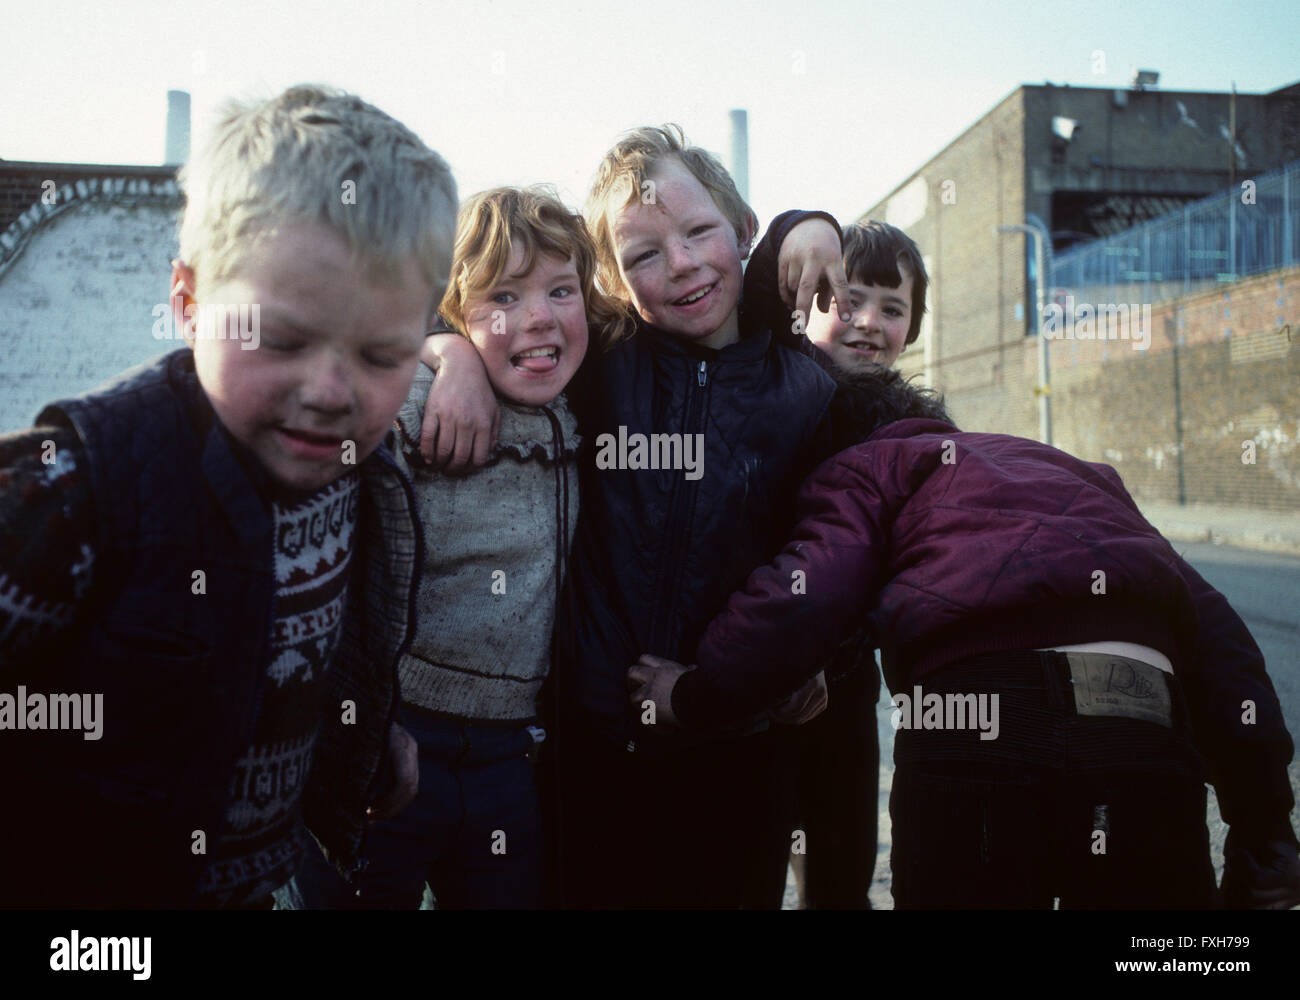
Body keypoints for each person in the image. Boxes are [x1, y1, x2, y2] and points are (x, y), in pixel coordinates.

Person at [0, 85, 457, 908]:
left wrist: (357, 729)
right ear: (187, 301)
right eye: (279, 340)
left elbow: (294, 654)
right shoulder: (74, 488)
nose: (330, 390)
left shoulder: (363, 470)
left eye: (382, 354)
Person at [629, 365, 1300, 909]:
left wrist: (693, 691)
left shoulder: (864, 466)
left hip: (975, 723)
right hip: (1141, 722)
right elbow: (1220, 639)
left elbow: (812, 589)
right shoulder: (1078, 473)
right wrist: (1264, 828)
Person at [418, 125, 847, 908]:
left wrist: (809, 650)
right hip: (593, 753)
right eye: (644, 254)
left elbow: (839, 544)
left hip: (741, 753)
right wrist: (448, 358)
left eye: (698, 232)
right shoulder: (602, 366)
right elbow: (486, 306)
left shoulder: (809, 391)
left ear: (743, 230)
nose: (680, 264)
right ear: (610, 281)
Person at [289, 185, 628, 908]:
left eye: (560, 290)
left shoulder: (588, 401)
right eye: (503, 297)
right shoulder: (415, 404)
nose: (537, 317)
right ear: (456, 312)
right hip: (396, 741)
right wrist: (446, 359)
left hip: (511, 756)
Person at [773, 219, 930, 908]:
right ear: (812, 299)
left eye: (892, 309)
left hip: (844, 688)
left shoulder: (916, 435)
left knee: (840, 876)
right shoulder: (766, 396)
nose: (868, 323)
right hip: (743, 678)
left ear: (913, 328)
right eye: (850, 299)